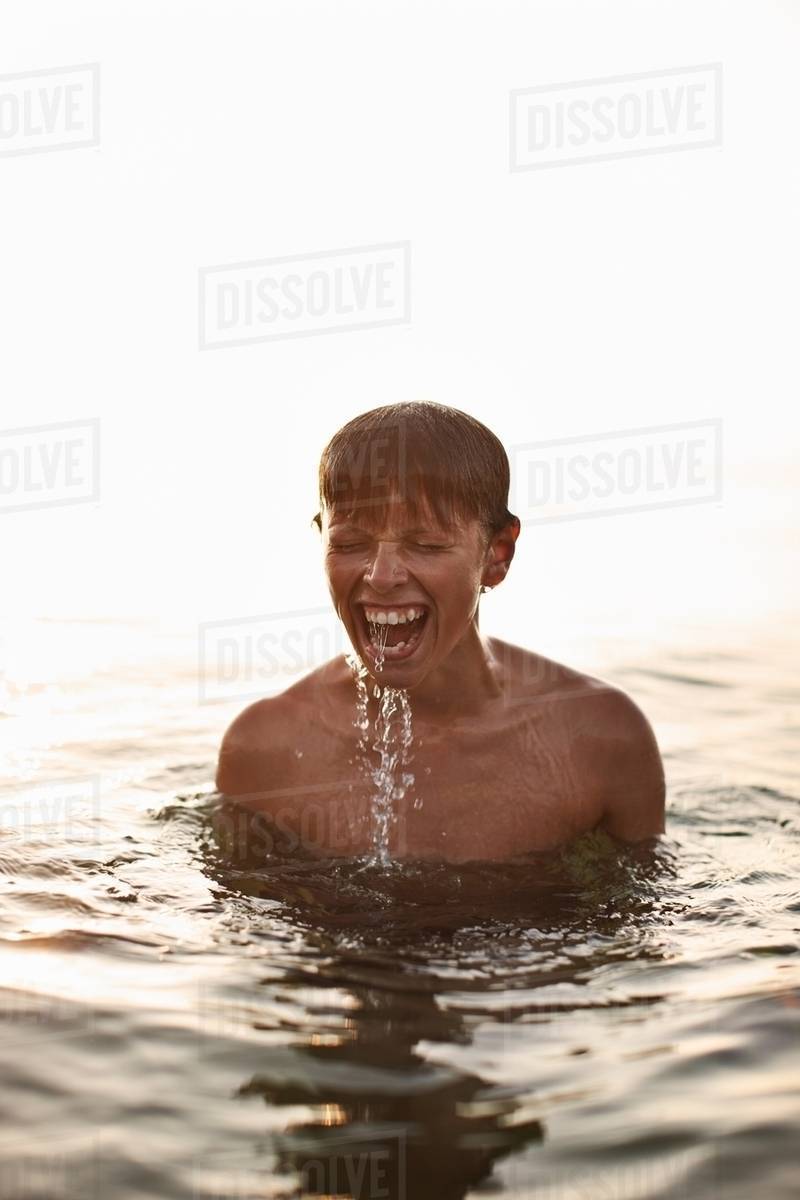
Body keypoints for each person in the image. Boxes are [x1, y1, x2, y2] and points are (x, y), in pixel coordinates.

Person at [215, 401, 665, 862]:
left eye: (425, 544)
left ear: (496, 555)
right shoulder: (264, 750)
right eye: (349, 543)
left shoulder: (601, 741)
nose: (381, 575)